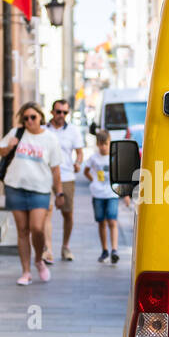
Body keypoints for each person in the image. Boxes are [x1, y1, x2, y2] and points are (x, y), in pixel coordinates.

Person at [0, 102, 62, 286]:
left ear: (40, 117)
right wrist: (9, 146)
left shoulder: (50, 139)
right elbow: (1, 151)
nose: (29, 121)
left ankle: (39, 260)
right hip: (15, 187)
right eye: (25, 118)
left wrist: (59, 193)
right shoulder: (16, 133)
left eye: (33, 117)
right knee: (22, 231)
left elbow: (56, 169)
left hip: (40, 190)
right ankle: (26, 271)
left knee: (37, 228)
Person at [42, 99, 84, 263]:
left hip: (66, 176)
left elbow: (79, 152)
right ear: (52, 112)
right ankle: (48, 249)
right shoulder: (43, 130)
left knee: (68, 213)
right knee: (46, 213)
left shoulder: (73, 131)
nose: (61, 115)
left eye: (65, 112)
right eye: (58, 112)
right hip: (45, 176)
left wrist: (78, 163)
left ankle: (65, 246)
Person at [83, 131, 123, 264]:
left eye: (105, 144)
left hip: (112, 193)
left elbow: (120, 173)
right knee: (101, 222)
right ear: (97, 144)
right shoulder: (93, 158)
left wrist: (124, 193)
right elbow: (86, 171)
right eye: (101, 144)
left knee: (112, 221)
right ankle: (105, 249)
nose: (103, 147)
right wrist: (93, 181)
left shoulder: (114, 157)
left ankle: (115, 250)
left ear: (110, 142)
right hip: (98, 193)